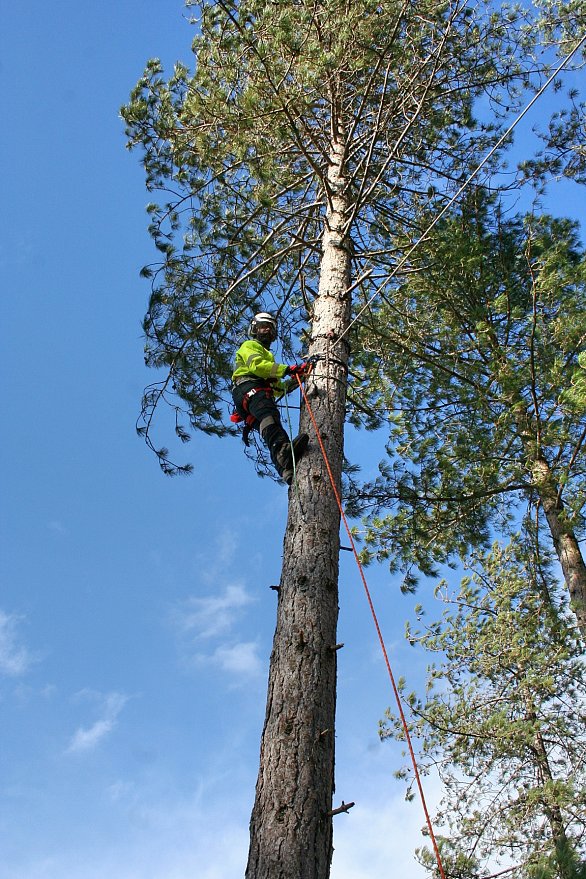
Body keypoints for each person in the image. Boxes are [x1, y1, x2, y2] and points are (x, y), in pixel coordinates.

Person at [231, 312, 310, 485]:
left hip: (248, 395)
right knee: (270, 417)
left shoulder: (267, 356)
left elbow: (275, 387)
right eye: (262, 326)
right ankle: (283, 451)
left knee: (268, 426)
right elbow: (257, 366)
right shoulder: (249, 345)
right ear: (254, 329)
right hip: (249, 388)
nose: (266, 330)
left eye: (270, 328)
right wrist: (287, 369)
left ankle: (285, 469)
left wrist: (295, 380)